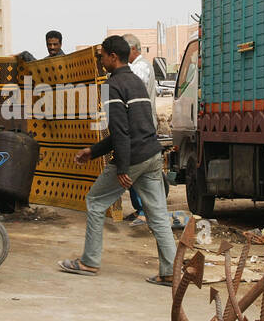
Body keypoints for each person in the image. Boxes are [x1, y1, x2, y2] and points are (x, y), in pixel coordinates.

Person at [57, 35, 176, 285]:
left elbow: (120, 130)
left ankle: (89, 262)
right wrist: (94, 151)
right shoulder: (136, 82)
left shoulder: (111, 85)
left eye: (102, 55)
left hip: (132, 157)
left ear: (113, 57)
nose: (100, 60)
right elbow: (133, 127)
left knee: (95, 201)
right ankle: (170, 272)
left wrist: (122, 168)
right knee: (157, 214)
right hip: (152, 155)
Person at [122, 34, 159, 226]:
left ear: (132, 49)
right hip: (137, 126)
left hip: (141, 128)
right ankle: (140, 210)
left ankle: (145, 211)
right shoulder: (135, 67)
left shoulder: (140, 67)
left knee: (138, 171)